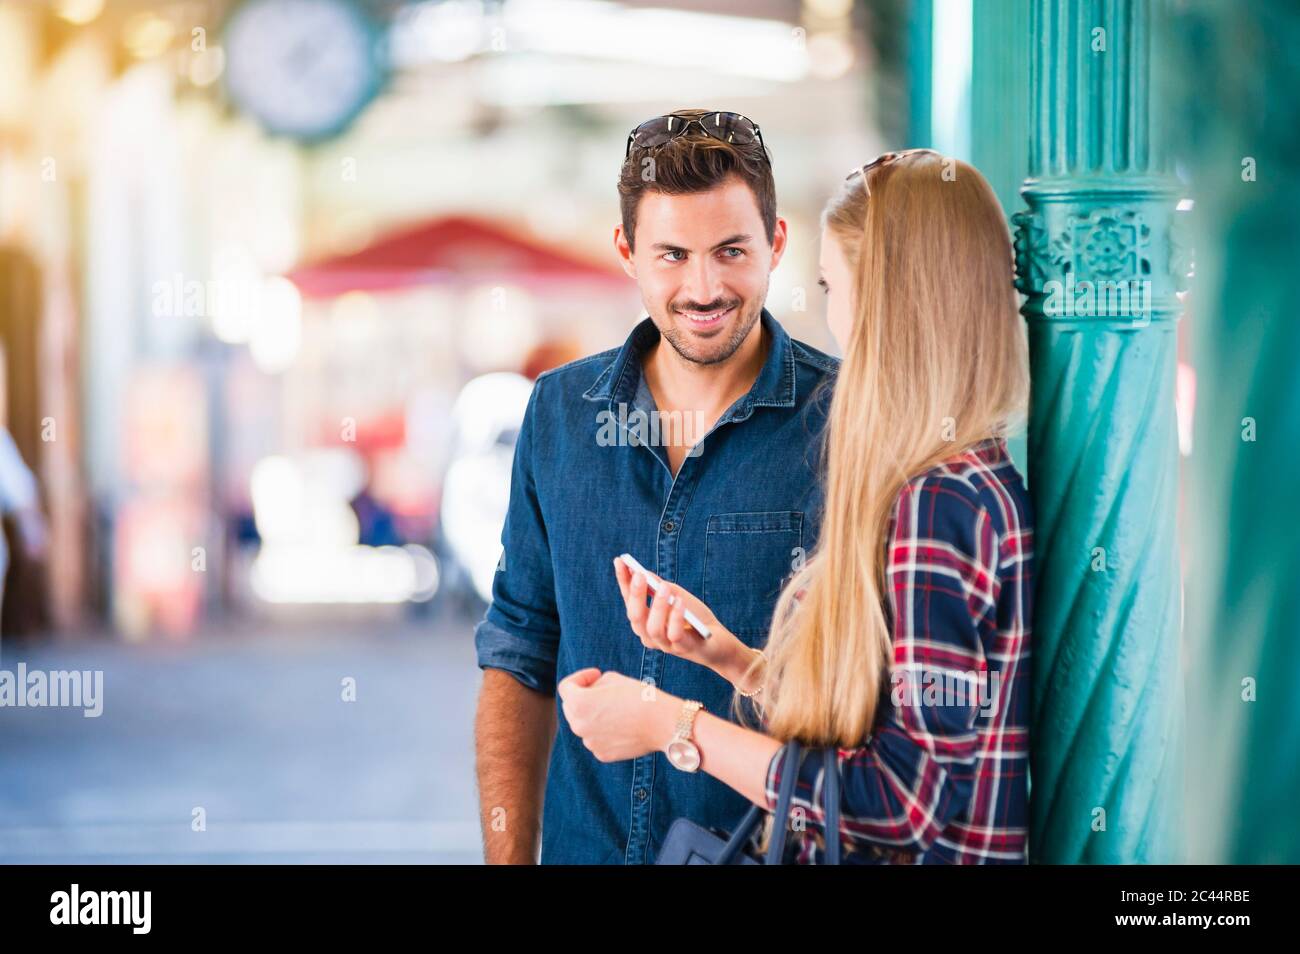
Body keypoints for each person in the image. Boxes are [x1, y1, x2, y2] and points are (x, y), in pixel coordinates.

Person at [565, 149, 1034, 864]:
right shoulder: (965, 478)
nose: (831, 314)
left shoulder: (939, 504)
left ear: (890, 305)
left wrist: (672, 726)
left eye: (832, 286)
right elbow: (881, 725)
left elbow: (900, 808)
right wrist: (724, 655)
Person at [473, 109, 839, 864]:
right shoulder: (558, 415)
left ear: (776, 243)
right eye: (672, 254)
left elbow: (860, 695)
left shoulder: (846, 418)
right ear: (627, 252)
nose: (703, 288)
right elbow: (519, 650)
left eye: (731, 251)